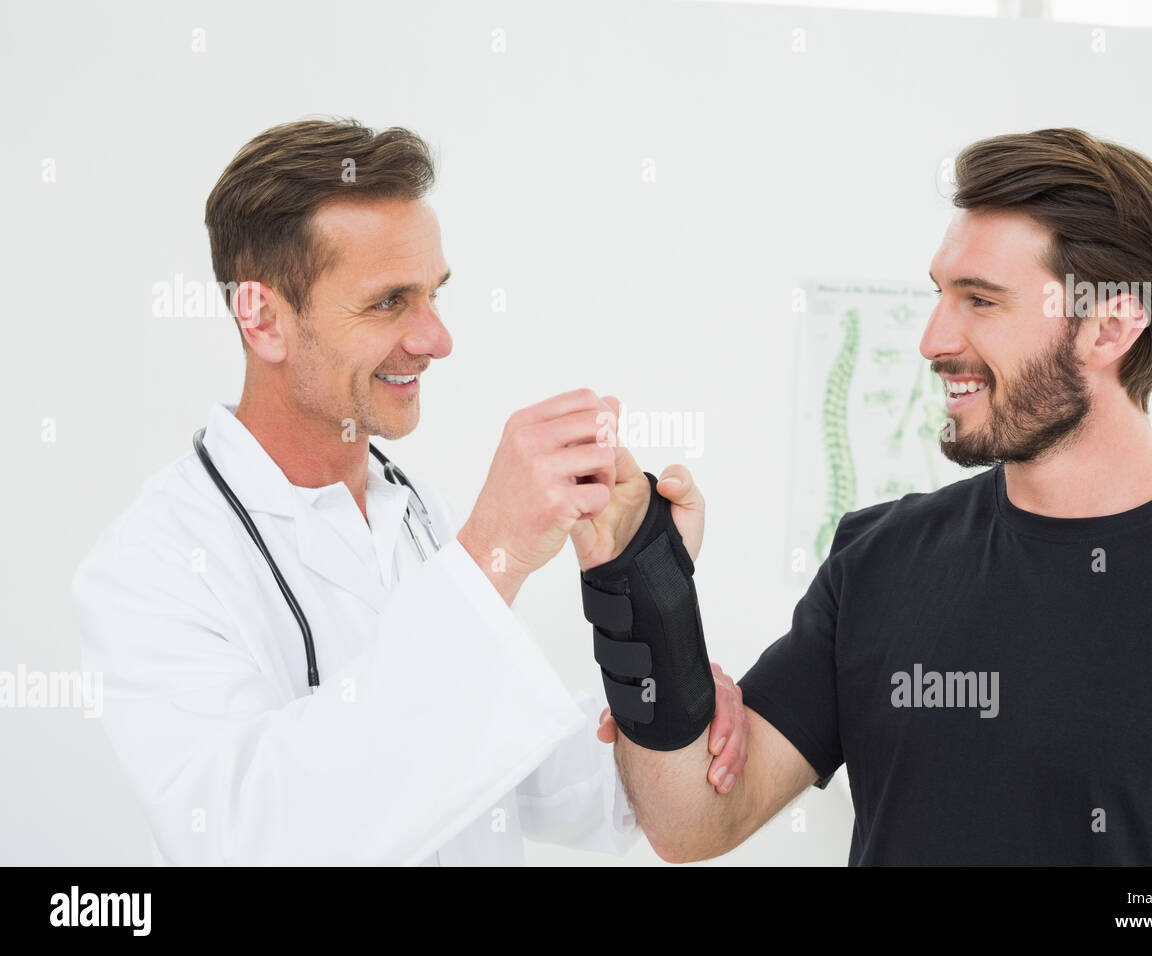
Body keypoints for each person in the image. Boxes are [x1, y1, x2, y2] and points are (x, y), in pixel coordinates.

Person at [576, 128, 1152, 866]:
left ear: (1109, 325)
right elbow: (693, 823)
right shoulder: (879, 560)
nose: (931, 339)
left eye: (980, 300)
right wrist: (642, 581)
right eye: (940, 294)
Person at [71, 118, 748, 865]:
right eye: (390, 302)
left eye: (434, 294)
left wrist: (658, 635)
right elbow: (248, 842)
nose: (437, 338)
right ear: (262, 318)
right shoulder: (151, 565)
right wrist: (494, 552)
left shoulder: (417, 515)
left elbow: (554, 790)